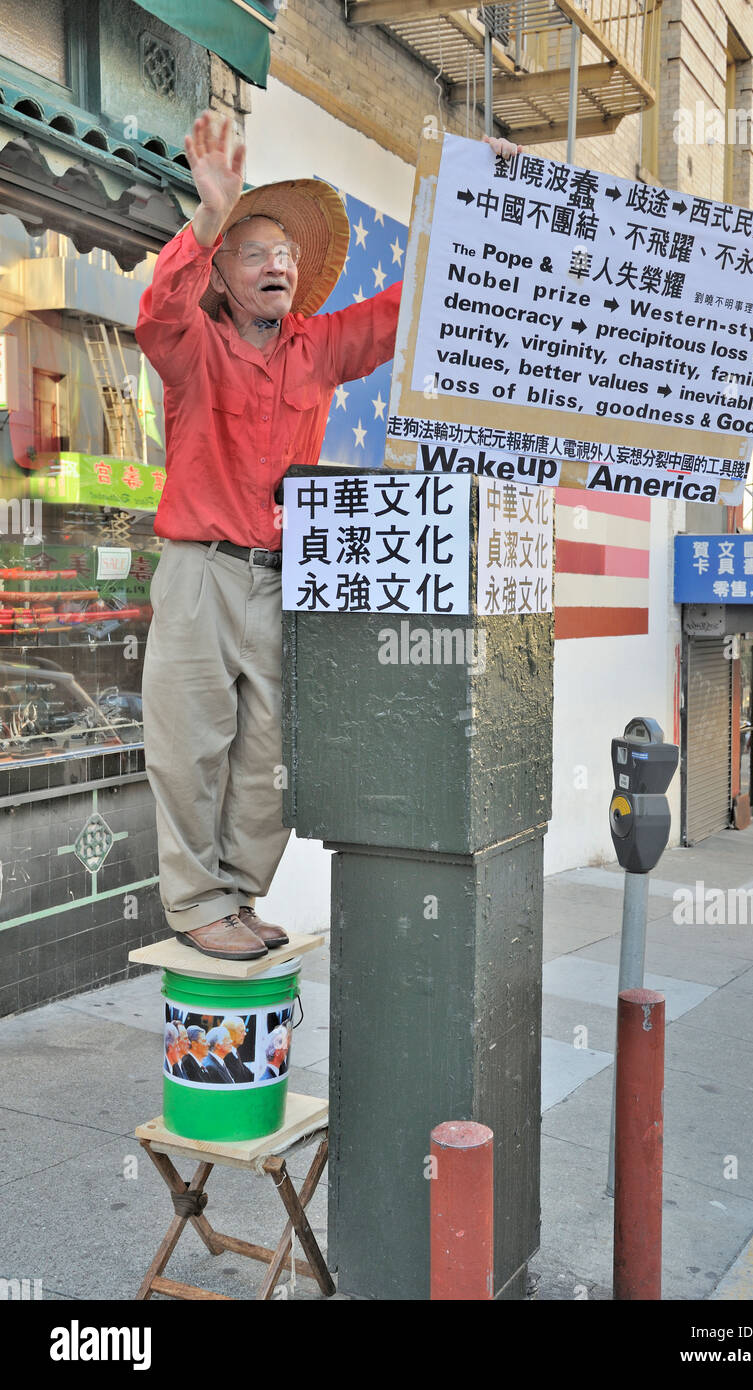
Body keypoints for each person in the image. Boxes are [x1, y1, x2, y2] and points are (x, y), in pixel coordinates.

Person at [137, 111, 520, 962]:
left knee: (274, 750)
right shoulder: (192, 344)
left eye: (285, 254)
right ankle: (195, 899)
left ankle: (235, 894)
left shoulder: (319, 348)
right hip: (200, 572)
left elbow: (409, 305)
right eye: (253, 253)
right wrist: (208, 214)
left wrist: (477, 196)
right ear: (224, 278)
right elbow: (157, 309)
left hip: (285, 577)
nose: (276, 263)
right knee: (189, 745)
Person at [221, 1015, 254, 1083]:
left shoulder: (234, 1052)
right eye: (241, 1031)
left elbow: (246, 1073)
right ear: (230, 1033)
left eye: (244, 1031)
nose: (245, 1034)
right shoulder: (225, 1055)